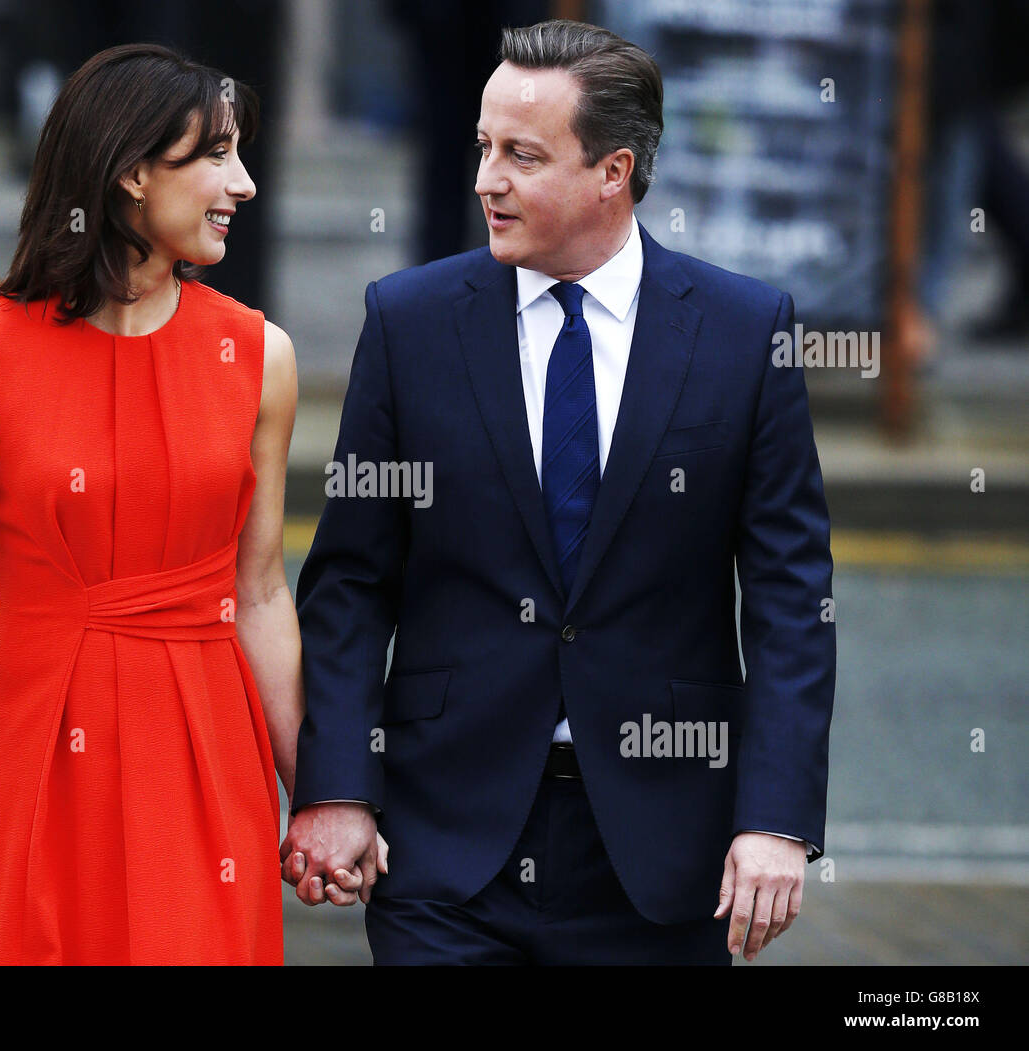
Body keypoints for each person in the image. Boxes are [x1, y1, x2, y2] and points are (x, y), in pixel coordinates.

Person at [281, 20, 835, 965]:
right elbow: (349, 585)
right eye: (484, 148)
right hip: (444, 849)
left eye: (522, 156)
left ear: (613, 170)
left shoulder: (746, 333)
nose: (485, 179)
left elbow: (791, 602)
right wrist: (336, 788)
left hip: (664, 858)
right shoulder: (409, 324)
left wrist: (776, 818)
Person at [0, 43, 307, 965]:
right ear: (131, 172)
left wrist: (325, 797)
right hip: (35, 745)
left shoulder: (260, 358)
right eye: (215, 155)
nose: (244, 183)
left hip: (206, 754)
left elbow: (260, 592)